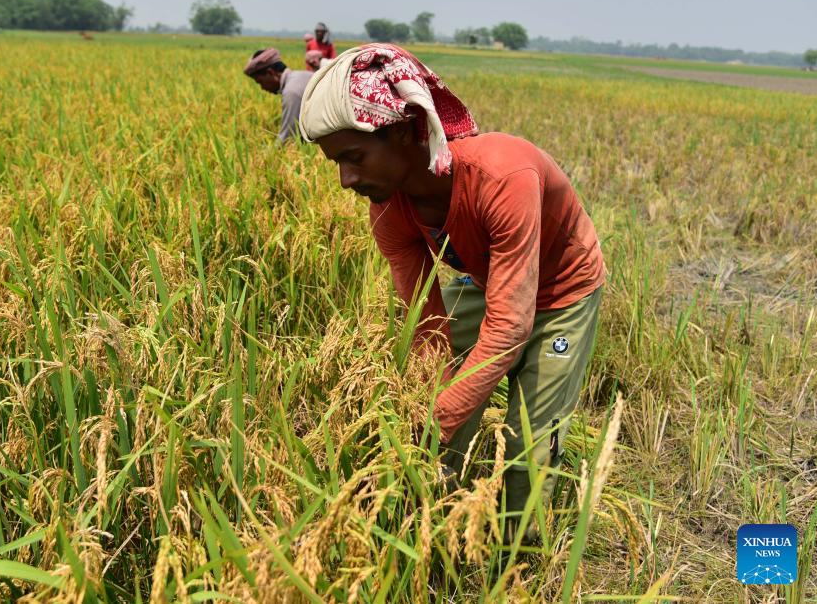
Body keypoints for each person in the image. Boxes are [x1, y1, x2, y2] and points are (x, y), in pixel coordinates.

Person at [298, 43, 605, 528]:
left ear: (402, 132)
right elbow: (427, 327)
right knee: (426, 389)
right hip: (492, 280)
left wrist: (438, 419)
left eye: (354, 157)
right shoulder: (388, 208)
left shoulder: (504, 176)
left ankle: (515, 560)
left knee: (529, 440)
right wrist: (431, 407)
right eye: (336, 162)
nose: (344, 178)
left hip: (561, 291)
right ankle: (438, 520)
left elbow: (509, 329)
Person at [244, 48, 314, 143]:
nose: (262, 88)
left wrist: (269, 154)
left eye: (260, 82)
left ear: (271, 73)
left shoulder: (291, 92)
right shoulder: (302, 75)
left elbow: (288, 137)